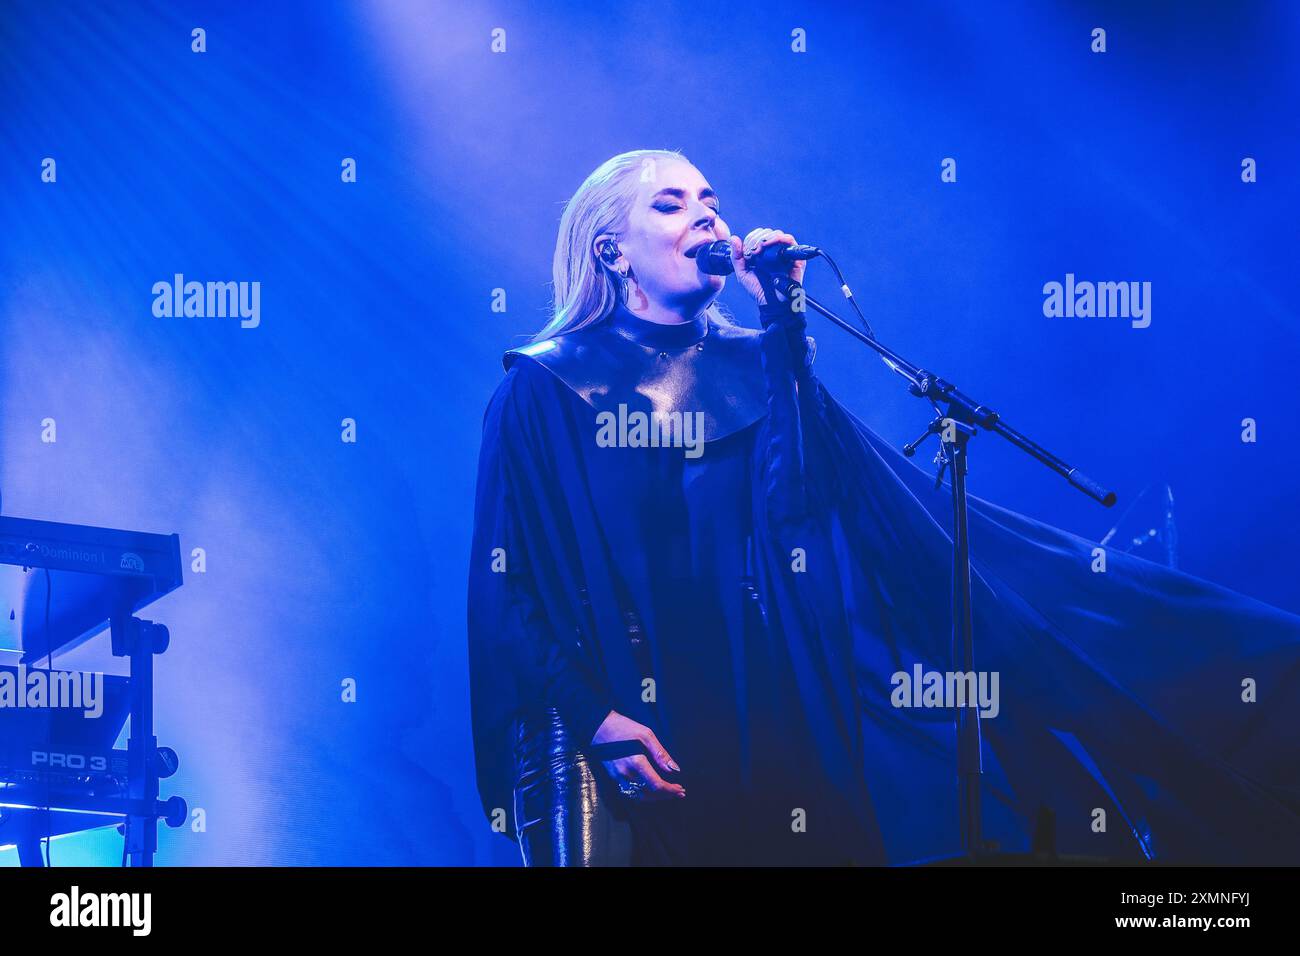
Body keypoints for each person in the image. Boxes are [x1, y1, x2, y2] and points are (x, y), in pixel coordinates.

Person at [468, 149, 1300, 866]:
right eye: (672, 201)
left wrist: (782, 317)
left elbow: (797, 508)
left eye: (712, 200)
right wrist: (594, 714)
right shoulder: (545, 384)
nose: (707, 216)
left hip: (757, 702)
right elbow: (506, 591)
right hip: (604, 711)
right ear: (610, 248)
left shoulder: (756, 361)